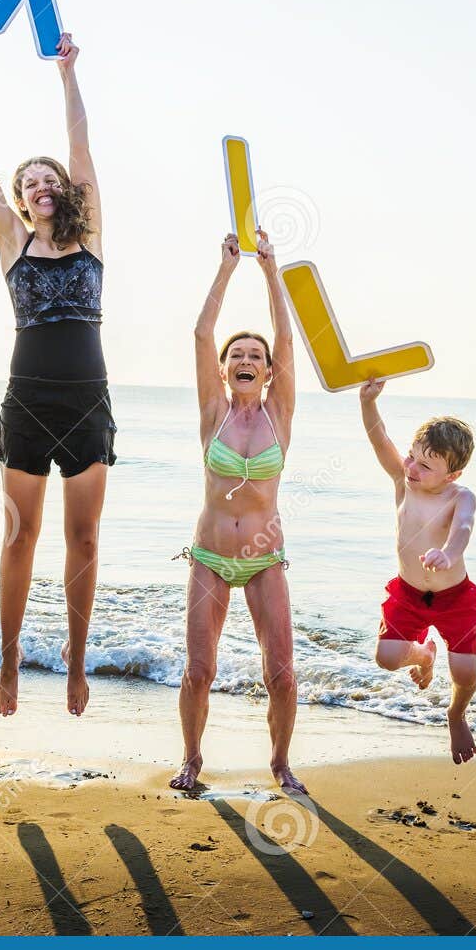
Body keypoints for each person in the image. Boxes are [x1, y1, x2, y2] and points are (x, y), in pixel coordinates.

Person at [0, 33, 112, 718]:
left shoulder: (90, 236)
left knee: (84, 538)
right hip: (28, 399)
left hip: (87, 400)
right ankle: (8, 662)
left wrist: (67, 74)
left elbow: (83, 142)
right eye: (28, 180)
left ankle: (76, 661)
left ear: (65, 190)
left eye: (49, 178)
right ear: (21, 197)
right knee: (20, 535)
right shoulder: (12, 239)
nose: (40, 185)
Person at [171, 230, 303, 795]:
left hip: (264, 560)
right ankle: (192, 760)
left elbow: (286, 338)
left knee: (282, 673)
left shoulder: (279, 412)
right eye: (237, 356)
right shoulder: (212, 412)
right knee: (200, 670)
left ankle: (280, 764)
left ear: (268, 372)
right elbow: (202, 332)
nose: (246, 360)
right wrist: (227, 268)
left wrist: (270, 268)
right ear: (225, 370)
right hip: (208, 558)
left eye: (256, 357)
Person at [359, 393, 476, 763]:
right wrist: (368, 402)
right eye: (412, 456)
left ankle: (456, 713)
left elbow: (464, 526)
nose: (412, 467)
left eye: (426, 465)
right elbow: (379, 437)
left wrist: (449, 553)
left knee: (464, 670)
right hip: (409, 594)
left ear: (453, 474)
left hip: (454, 597)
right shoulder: (403, 481)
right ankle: (425, 655)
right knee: (387, 656)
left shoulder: (462, 496)